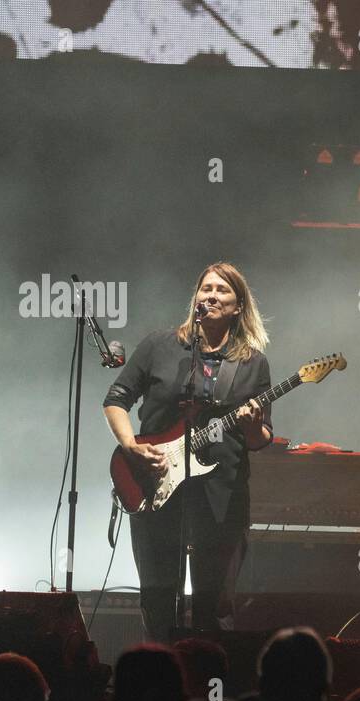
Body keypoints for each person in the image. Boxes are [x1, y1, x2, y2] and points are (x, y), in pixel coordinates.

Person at [103, 262, 273, 642]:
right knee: (158, 598)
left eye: (222, 290)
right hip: (156, 484)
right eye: (205, 288)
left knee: (214, 606)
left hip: (221, 494)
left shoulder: (251, 362)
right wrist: (130, 446)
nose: (211, 295)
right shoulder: (160, 346)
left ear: (238, 306)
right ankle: (159, 681)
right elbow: (116, 399)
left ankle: (211, 687)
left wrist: (249, 424)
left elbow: (261, 438)